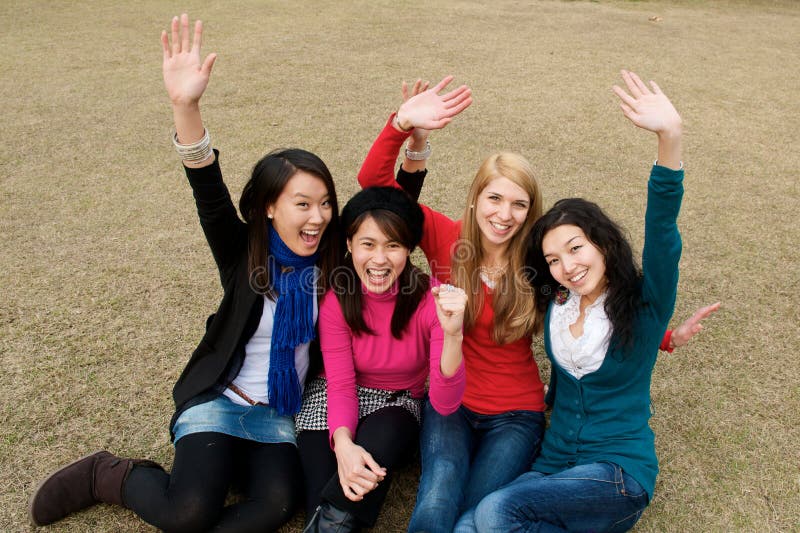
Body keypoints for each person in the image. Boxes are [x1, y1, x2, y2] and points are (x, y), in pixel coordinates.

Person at [358, 77, 717, 533]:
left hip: (517, 412)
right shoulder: (446, 238)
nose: (504, 214)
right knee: (436, 498)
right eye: (494, 198)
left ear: (531, 211)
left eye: (519, 204)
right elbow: (375, 192)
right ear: (475, 198)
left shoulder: (541, 264)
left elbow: (599, 307)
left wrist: (658, 335)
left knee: (477, 510)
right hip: (451, 400)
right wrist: (403, 128)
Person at [28, 14, 341, 532]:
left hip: (279, 415)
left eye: (325, 203)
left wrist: (410, 141)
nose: (318, 217)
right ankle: (108, 474)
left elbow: (383, 224)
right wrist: (185, 106)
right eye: (303, 204)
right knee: (188, 513)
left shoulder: (333, 262)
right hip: (221, 400)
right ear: (269, 207)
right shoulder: (243, 251)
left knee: (275, 507)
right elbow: (209, 191)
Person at [460, 69, 697, 532]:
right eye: (553, 259)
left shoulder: (644, 305)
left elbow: (663, 232)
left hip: (616, 473)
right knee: (470, 522)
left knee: (495, 512)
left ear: (602, 243)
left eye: (575, 248)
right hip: (554, 465)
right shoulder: (557, 302)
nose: (566, 266)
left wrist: (669, 138)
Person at [295, 186, 469, 532]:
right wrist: (343, 444)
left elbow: (445, 404)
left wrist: (453, 335)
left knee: (373, 452)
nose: (379, 259)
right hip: (332, 397)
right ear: (349, 244)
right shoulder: (337, 298)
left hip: (395, 403)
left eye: (393, 245)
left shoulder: (432, 299)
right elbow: (341, 384)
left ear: (409, 249)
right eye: (368, 244)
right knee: (324, 496)